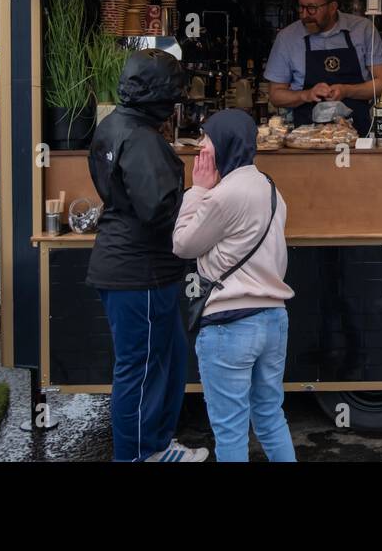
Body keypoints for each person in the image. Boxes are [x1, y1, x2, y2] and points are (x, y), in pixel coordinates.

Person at [86, 49, 205, 462]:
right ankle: (140, 455)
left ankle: (156, 445)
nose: (175, 108)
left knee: (164, 362)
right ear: (161, 98)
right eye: (173, 99)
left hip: (126, 265)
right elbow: (159, 212)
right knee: (143, 369)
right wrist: (202, 203)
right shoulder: (142, 140)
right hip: (142, 271)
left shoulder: (111, 126)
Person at [173, 109, 296, 462]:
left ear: (225, 142)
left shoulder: (222, 195)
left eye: (207, 138)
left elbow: (183, 245)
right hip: (274, 319)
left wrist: (196, 190)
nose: (201, 146)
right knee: (271, 417)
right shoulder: (271, 189)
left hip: (230, 325)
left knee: (230, 431)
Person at [265, 0, 382, 136]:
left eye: (312, 8)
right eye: (301, 7)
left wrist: (346, 90)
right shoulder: (287, 37)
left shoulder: (362, 30)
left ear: (332, 7)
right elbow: (276, 95)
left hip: (358, 137)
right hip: (306, 140)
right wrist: (306, 95)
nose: (304, 15)